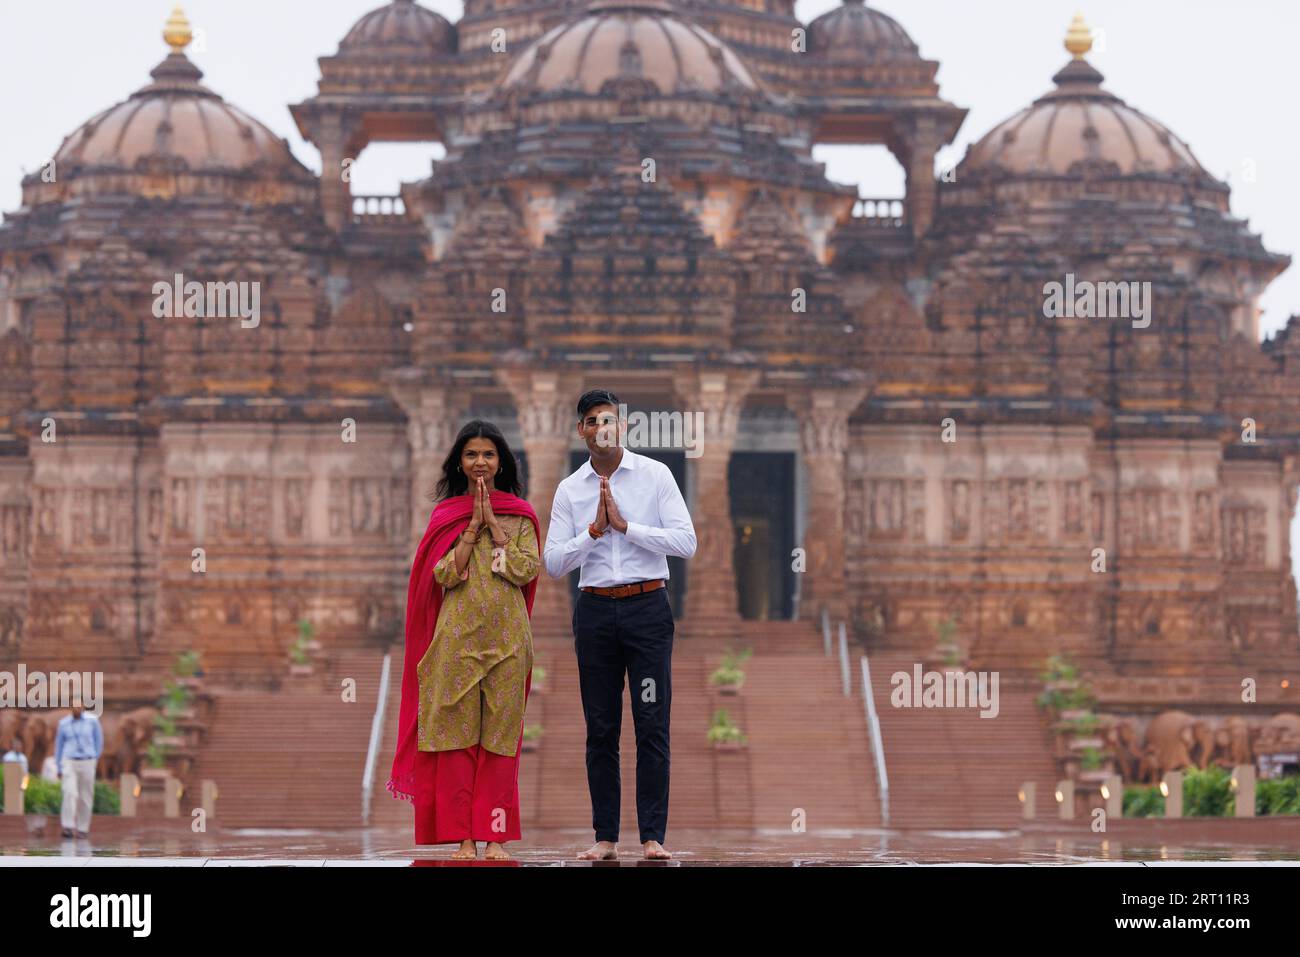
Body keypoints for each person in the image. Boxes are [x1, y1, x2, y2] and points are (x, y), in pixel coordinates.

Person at [544, 389, 697, 860]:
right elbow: (552, 562)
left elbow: (685, 542)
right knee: (601, 727)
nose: (600, 428)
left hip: (647, 609)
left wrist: (628, 527)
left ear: (623, 426)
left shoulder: (655, 476)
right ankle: (605, 837)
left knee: (652, 723)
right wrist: (592, 533)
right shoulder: (571, 488)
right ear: (581, 430)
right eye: (591, 421)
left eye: (608, 419)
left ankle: (652, 837)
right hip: (595, 613)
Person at [387, 419, 541, 860]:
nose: (480, 462)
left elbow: (525, 569)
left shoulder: (521, 515)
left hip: (509, 641)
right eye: (471, 454)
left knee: (500, 739)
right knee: (456, 740)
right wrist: (471, 527)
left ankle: (494, 838)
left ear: (501, 462)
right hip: (455, 641)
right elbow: (444, 576)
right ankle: (465, 840)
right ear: (460, 461)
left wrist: (494, 525)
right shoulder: (446, 516)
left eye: (488, 454)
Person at [55, 697, 103, 839]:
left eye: (79, 705)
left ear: (83, 706)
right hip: (69, 760)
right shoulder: (64, 724)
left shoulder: (92, 721)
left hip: (87, 761)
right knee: (69, 792)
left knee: (85, 795)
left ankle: (82, 828)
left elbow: (98, 741)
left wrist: (95, 757)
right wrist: (58, 766)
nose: (76, 708)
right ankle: (68, 826)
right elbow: (59, 746)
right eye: (74, 705)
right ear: (70, 707)